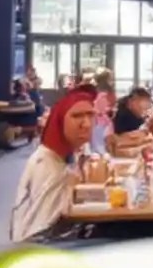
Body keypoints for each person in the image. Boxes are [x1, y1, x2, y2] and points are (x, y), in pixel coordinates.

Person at [10, 85, 97, 242]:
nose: (86, 124)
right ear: (60, 121)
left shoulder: (66, 153)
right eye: (77, 116)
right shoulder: (46, 164)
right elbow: (39, 230)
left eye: (90, 115)